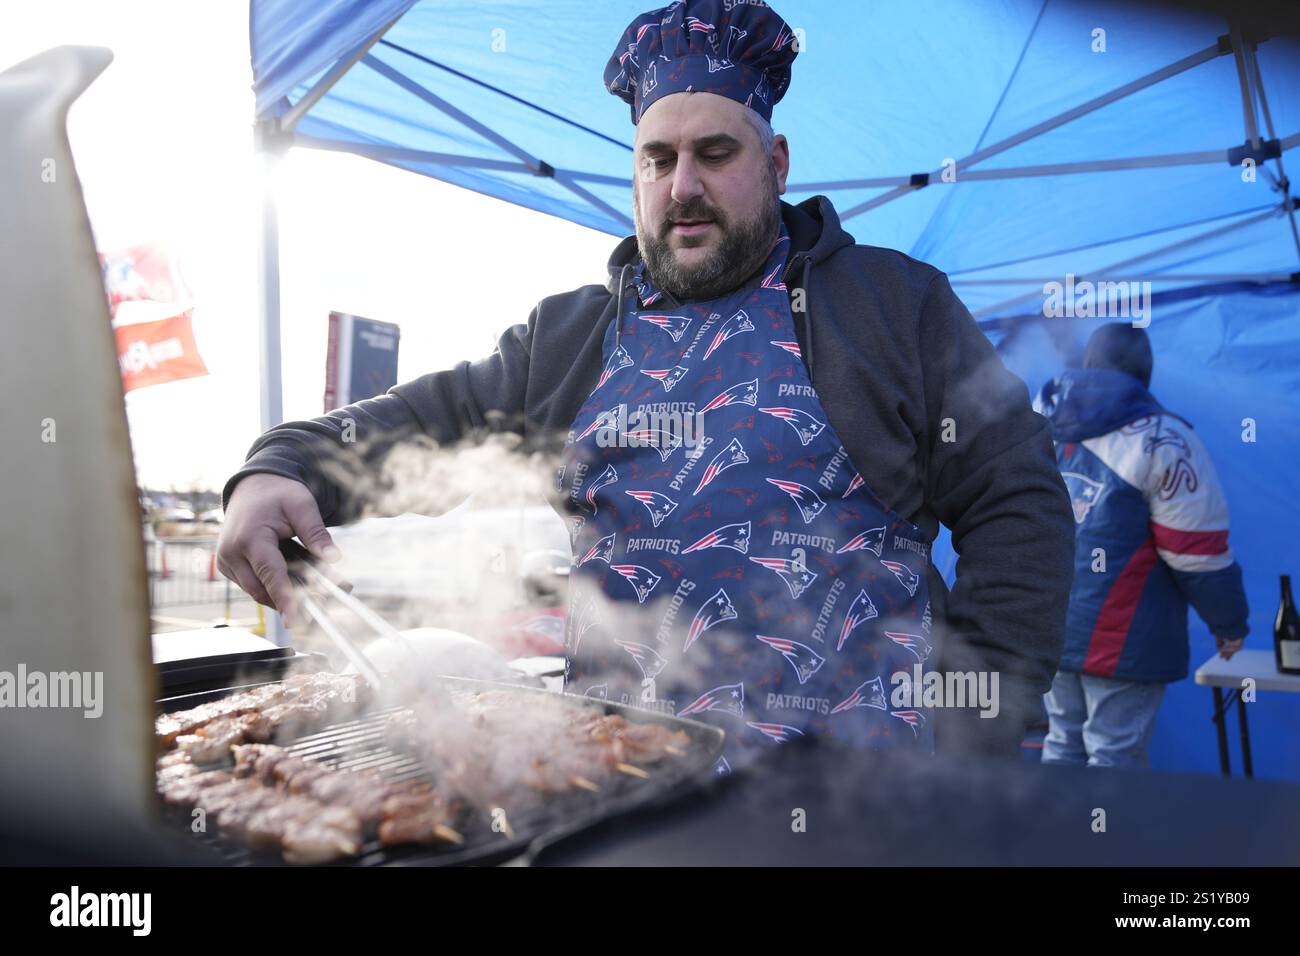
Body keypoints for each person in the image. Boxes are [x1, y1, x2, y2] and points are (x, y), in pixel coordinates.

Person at [218, 0, 1074, 770]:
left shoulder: (893, 303)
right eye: (657, 159)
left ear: (774, 160)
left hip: (869, 806)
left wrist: (980, 722)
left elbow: (1018, 501)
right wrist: (283, 465)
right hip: (622, 795)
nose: (684, 186)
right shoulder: (569, 338)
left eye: (715, 153)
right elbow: (424, 422)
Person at [1033, 323, 1249, 768]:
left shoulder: (1035, 421)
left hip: (1049, 627)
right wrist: (1229, 624)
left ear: (1088, 364)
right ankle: (1103, 839)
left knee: (1060, 746)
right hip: (1123, 640)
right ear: (1145, 375)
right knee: (1115, 758)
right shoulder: (1165, 440)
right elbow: (1196, 551)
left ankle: (1057, 839)